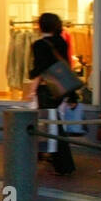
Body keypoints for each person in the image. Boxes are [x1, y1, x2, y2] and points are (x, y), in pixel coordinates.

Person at [27, 12, 75, 175]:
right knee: (54, 123)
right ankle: (57, 159)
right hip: (60, 87)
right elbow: (65, 64)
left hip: (47, 88)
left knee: (50, 124)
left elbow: (40, 69)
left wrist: (32, 87)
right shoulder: (61, 41)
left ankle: (63, 163)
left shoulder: (39, 45)